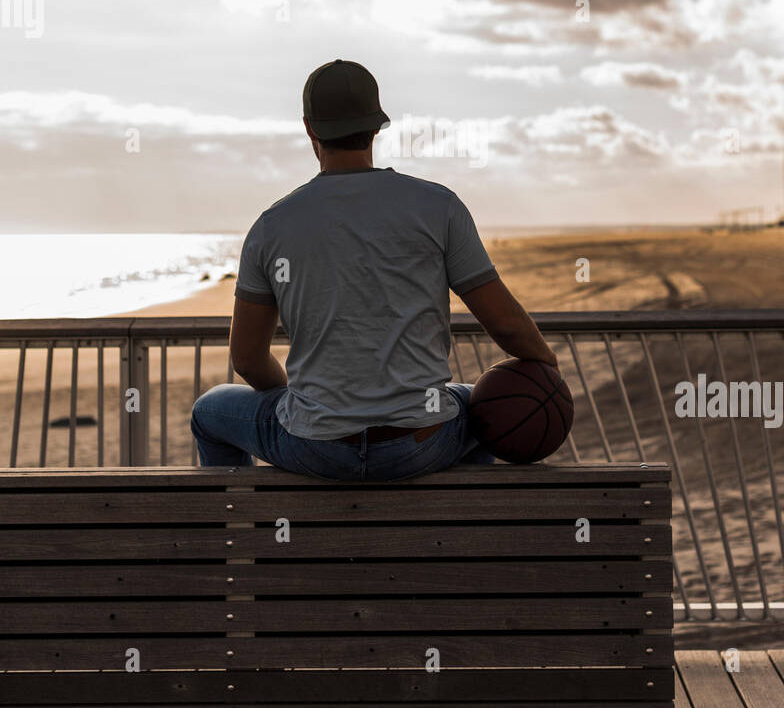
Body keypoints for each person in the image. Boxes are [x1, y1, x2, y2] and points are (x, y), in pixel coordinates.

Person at [191, 58, 559, 480]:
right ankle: (460, 531)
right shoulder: (439, 207)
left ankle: (245, 535)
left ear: (309, 127)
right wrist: (546, 364)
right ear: (377, 126)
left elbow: (248, 359)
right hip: (421, 443)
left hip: (316, 448)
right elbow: (508, 328)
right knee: (482, 409)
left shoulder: (271, 226)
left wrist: (298, 403)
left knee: (209, 411)